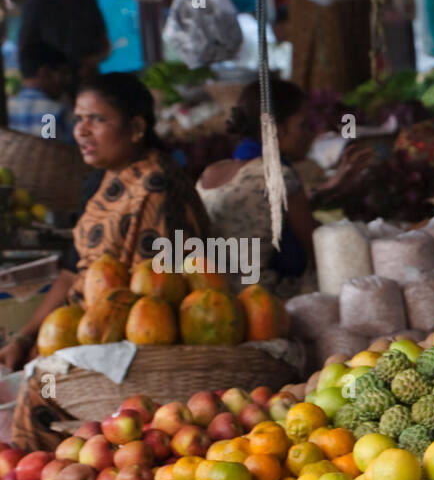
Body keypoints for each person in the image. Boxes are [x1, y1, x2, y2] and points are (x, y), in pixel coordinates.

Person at [1, 74, 208, 388]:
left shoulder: (155, 187)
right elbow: (73, 273)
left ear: (137, 128)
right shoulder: (98, 182)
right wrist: (24, 337)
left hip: (127, 350)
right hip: (80, 329)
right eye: (80, 119)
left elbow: (152, 298)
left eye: (97, 119)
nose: (82, 130)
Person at [197, 80, 317, 293]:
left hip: (214, 300)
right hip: (266, 303)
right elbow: (318, 251)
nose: (310, 134)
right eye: (303, 125)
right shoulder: (279, 175)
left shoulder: (209, 175)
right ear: (278, 130)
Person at [17, 0, 109, 82]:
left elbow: (104, 43)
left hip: (89, 83)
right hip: (57, 89)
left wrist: (92, 62)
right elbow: (26, 57)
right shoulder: (35, 5)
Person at [9, 41, 72, 143]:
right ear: (45, 73)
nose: (67, 80)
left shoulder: (7, 108)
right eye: (63, 73)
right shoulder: (59, 110)